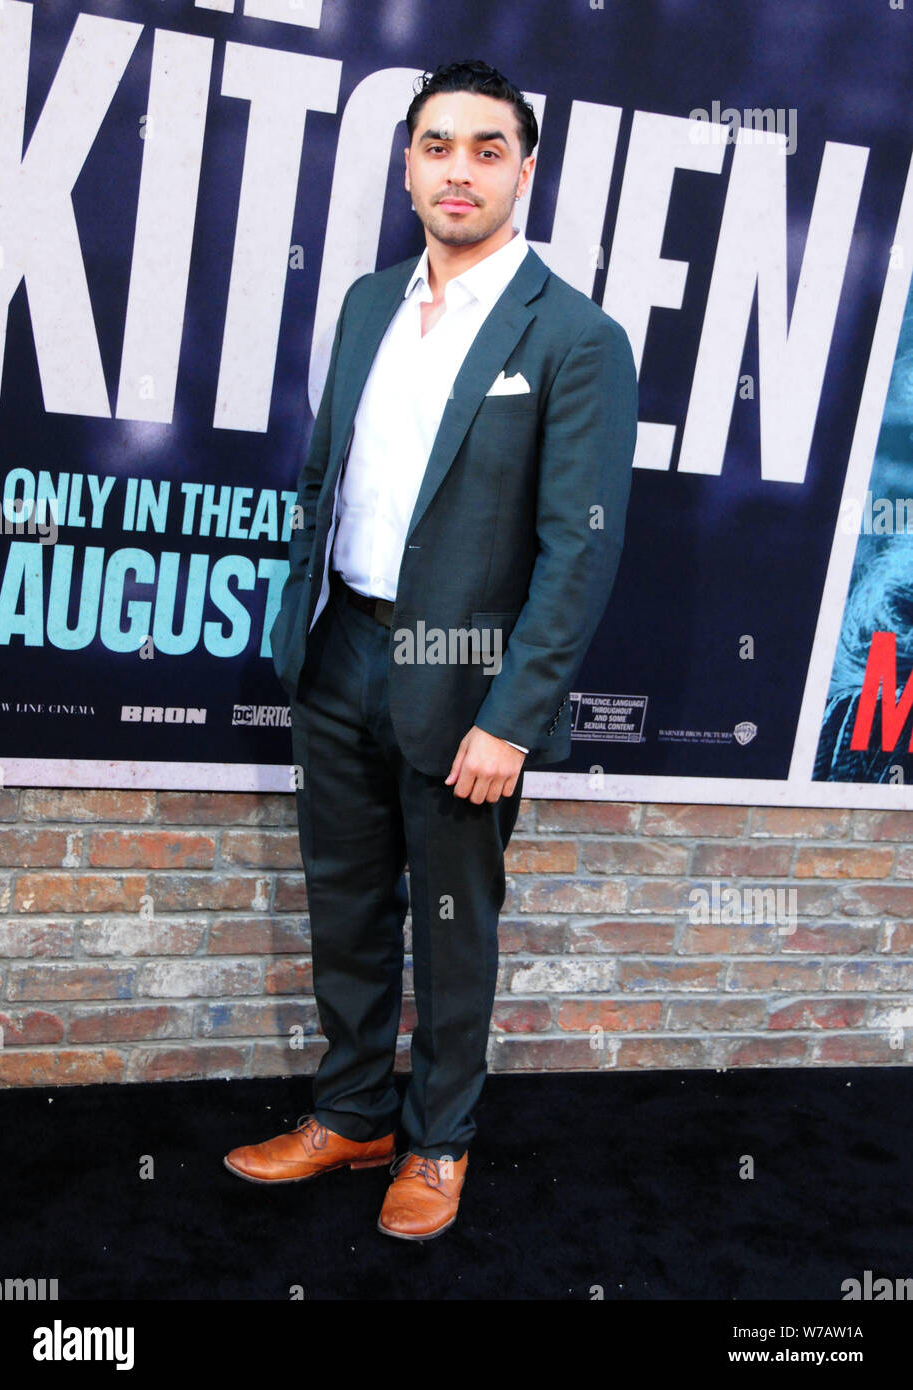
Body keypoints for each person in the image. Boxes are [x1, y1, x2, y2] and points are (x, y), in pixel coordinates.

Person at [225, 58, 638, 1240]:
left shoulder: (576, 337)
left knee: (454, 926)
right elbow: (327, 475)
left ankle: (439, 1141)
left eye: (487, 149)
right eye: (438, 146)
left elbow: (581, 549)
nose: (460, 170)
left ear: (524, 170)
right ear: (407, 165)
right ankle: (352, 1112)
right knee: (347, 909)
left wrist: (512, 717)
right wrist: (298, 631)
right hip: (341, 649)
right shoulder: (365, 301)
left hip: (464, 677)